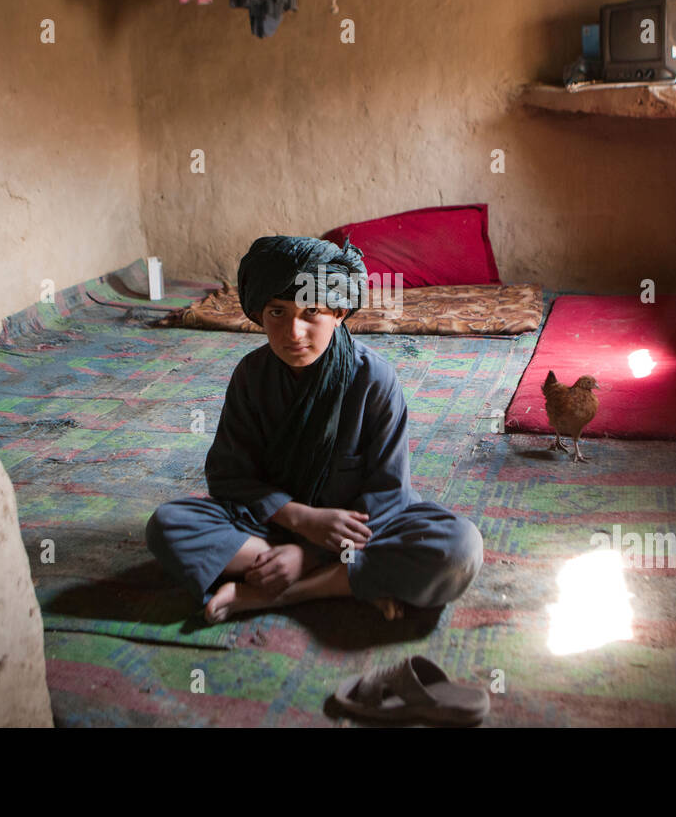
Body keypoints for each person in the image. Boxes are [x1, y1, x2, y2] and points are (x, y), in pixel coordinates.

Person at [146, 235, 483, 624]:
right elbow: (229, 475)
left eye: (311, 313)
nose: (293, 332)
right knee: (167, 526)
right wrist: (302, 520)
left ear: (339, 313)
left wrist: (309, 554)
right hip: (271, 525)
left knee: (458, 549)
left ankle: (283, 592)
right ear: (258, 313)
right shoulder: (251, 377)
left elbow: (388, 495)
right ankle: (352, 582)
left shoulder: (373, 379)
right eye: (277, 312)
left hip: (356, 533)